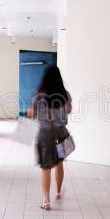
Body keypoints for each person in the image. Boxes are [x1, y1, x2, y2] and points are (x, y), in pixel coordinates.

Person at [27, 65, 72, 210]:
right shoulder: (65, 94)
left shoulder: (39, 96)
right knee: (60, 163)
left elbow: (31, 114)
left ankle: (46, 201)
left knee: (45, 168)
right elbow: (70, 110)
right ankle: (58, 192)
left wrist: (32, 112)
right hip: (62, 132)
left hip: (45, 134)